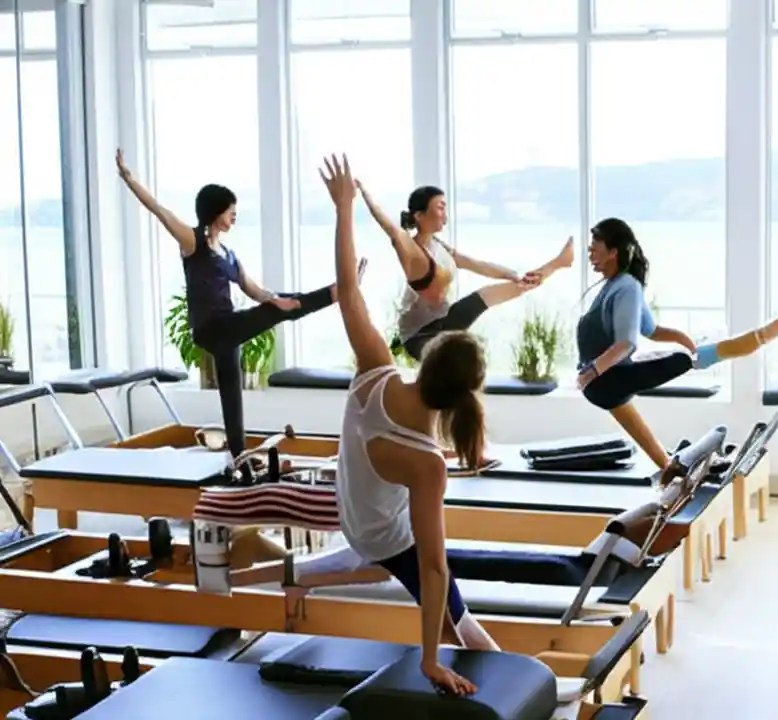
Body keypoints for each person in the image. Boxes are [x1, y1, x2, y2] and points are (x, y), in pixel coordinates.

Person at [320, 154, 496, 697]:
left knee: (453, 610)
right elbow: (433, 568)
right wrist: (429, 661)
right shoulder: (428, 462)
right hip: (382, 537)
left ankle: (494, 672)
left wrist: (344, 208)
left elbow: (348, 293)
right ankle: (511, 680)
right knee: (459, 616)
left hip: (349, 514)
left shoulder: (377, 369)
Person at [115, 149, 352, 463]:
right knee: (276, 311)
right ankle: (334, 293)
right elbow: (160, 211)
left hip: (227, 330)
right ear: (215, 212)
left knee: (232, 396)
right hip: (211, 327)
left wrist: (275, 298)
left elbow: (252, 289)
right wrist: (129, 179)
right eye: (230, 211)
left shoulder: (228, 254)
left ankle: (238, 458)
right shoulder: (193, 241)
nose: (234, 216)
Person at [575, 217, 778, 468]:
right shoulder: (618, 286)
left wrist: (591, 371)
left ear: (613, 252)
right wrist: (681, 339)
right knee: (696, 357)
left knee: (694, 357)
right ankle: (667, 465)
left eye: (594, 249)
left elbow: (628, 342)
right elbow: (649, 331)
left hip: (607, 379)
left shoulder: (626, 287)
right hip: (606, 380)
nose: (590, 255)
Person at [356, 182, 575, 360]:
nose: (445, 214)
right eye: (440, 207)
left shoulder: (439, 246)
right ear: (419, 215)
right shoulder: (413, 252)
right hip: (420, 336)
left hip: (444, 322)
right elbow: (390, 228)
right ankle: (558, 263)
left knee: (515, 287)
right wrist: (365, 193)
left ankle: (558, 263)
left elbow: (475, 264)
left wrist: (510, 274)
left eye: (445, 207)